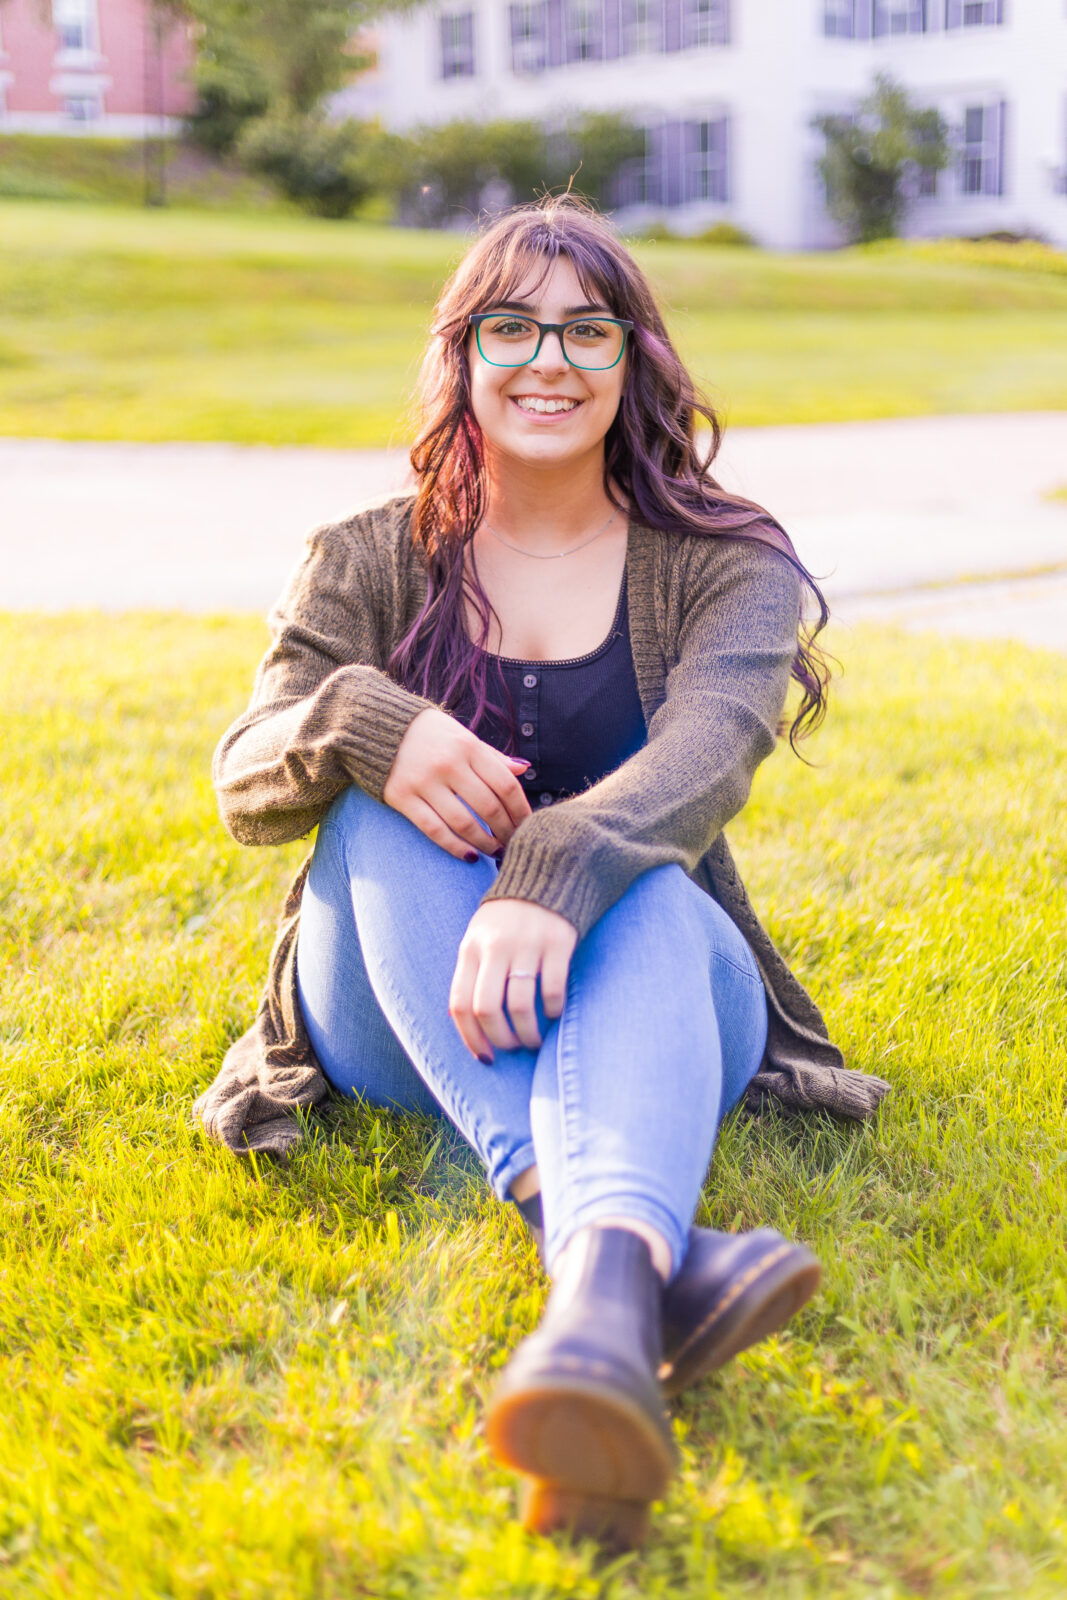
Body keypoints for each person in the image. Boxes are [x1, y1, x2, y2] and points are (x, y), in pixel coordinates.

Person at [194, 195, 889, 1549]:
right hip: (399, 1015)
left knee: (643, 866)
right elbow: (245, 780)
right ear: (459, 359)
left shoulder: (727, 567)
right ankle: (633, 1283)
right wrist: (361, 722)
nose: (548, 359)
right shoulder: (364, 558)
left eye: (588, 328)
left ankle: (599, 1321)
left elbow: (707, 757)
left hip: (664, 994)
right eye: (508, 327)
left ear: (638, 359)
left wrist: (558, 862)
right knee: (386, 792)